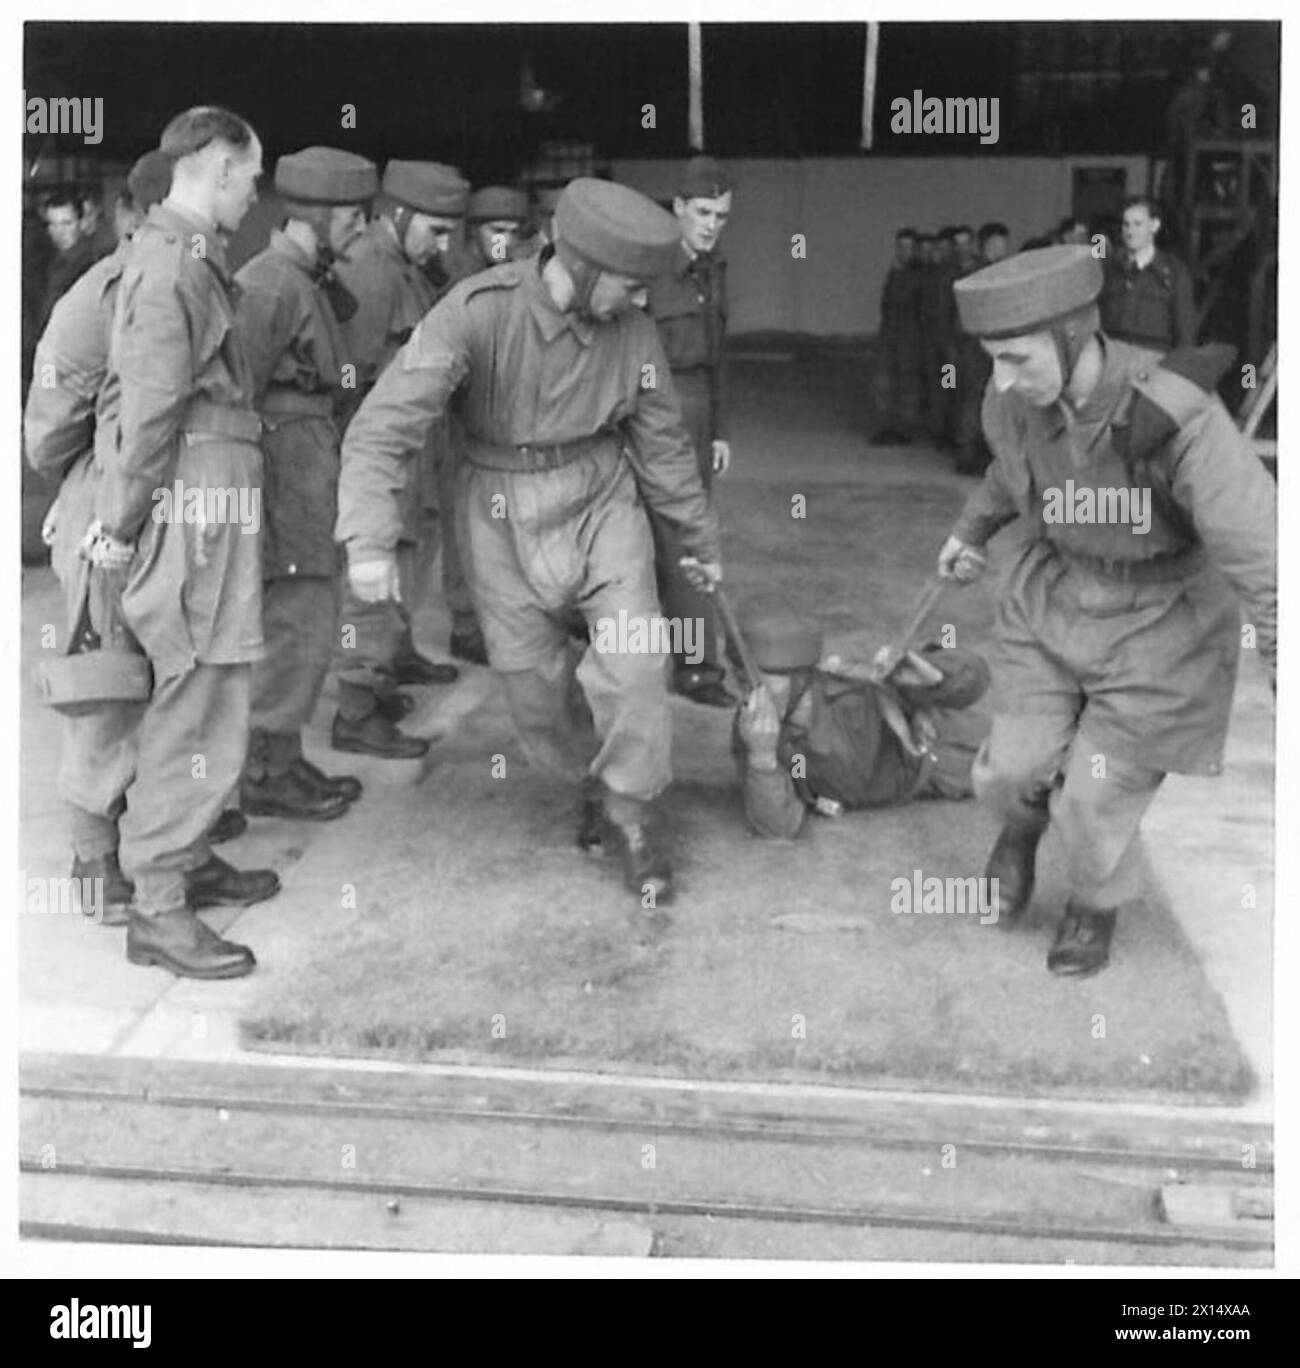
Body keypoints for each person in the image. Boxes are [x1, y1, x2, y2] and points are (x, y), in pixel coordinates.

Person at [336, 177, 722, 909]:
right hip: (498, 513)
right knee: (534, 693)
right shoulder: (477, 314)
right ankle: (595, 785)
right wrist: (368, 539)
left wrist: (696, 539)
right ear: (577, 265)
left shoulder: (633, 332)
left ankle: (635, 817)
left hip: (603, 501)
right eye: (629, 284)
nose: (641, 301)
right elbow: (384, 426)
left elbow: (664, 443)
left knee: (637, 662)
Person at [936, 245, 1275, 977]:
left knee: (1091, 798)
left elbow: (1266, 557)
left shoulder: (1174, 414)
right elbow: (1009, 472)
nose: (1001, 379)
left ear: (1071, 337)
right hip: (1055, 596)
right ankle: (1016, 838)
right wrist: (970, 531)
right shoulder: (1016, 400)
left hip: (1162, 622)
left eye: (1017, 358)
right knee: (1005, 771)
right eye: (994, 358)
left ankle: (1092, 904)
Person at [96, 106, 282, 979]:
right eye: (250, 176)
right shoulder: (171, 265)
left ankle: (189, 854)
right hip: (196, 499)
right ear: (213, 166)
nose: (256, 192)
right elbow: (151, 411)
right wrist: (121, 524)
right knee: (194, 690)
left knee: (218, 681)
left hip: (219, 490)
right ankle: (159, 905)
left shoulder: (196, 257)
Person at [23, 150, 175, 927]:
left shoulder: (192, 289)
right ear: (136, 217)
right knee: (107, 689)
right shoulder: (97, 298)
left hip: (176, 515)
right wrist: (82, 492)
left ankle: (159, 852)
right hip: (105, 510)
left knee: (170, 693)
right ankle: (93, 861)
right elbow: (46, 433)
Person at [234, 147, 381, 821]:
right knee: (292, 621)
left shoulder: (308, 280)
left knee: (310, 619)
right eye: (352, 214)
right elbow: (238, 399)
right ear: (317, 217)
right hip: (282, 475)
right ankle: (264, 769)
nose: (360, 226)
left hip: (309, 464)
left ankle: (283, 756)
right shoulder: (268, 286)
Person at [328, 160, 468, 758]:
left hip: (417, 449)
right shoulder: (372, 271)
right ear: (401, 215)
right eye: (435, 230)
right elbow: (349, 377)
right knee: (374, 578)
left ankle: (390, 668)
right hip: (385, 454)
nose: (443, 244)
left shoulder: (407, 269)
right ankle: (356, 708)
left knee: (409, 565)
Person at [731, 608, 990, 840]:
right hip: (929, 778)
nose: (750, 695)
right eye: (742, 681)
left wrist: (934, 675)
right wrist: (762, 759)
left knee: (1018, 768)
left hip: (951, 744)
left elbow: (973, 677)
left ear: (799, 676)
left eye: (760, 681)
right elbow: (779, 828)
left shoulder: (851, 689)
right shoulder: (754, 730)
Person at [644, 155, 735, 708]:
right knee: (657, 541)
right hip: (655, 409)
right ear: (678, 208)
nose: (711, 224)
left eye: (722, 216)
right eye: (702, 212)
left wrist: (720, 428)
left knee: (692, 540)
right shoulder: (651, 267)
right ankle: (687, 663)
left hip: (698, 411)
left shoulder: (712, 267)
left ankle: (697, 665)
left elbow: (721, 354)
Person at [1099, 196, 1197, 352]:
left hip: (1154, 361)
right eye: (1126, 225)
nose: (1130, 231)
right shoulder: (1110, 269)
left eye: (1138, 224)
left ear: (1154, 225)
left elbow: (1185, 335)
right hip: (1112, 357)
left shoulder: (1175, 272)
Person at [869, 227, 923, 447]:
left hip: (910, 337)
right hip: (890, 335)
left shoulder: (918, 275)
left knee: (907, 384)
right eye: (900, 247)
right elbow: (887, 305)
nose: (904, 251)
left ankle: (903, 428)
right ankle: (887, 425)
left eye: (908, 247)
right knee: (883, 383)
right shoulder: (895, 272)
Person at [37, 189, 99, 333]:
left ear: (82, 224)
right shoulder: (49, 263)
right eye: (53, 224)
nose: (59, 232)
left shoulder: (90, 264)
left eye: (67, 223)